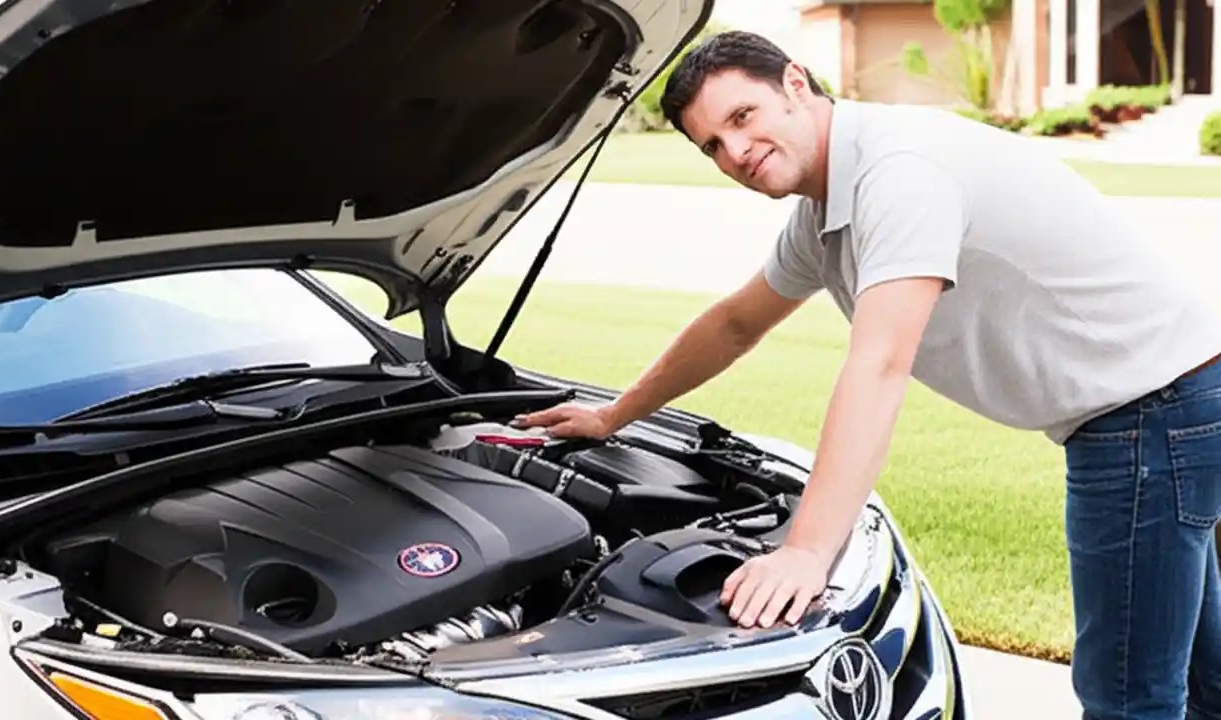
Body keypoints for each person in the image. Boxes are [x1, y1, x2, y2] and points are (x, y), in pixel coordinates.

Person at [511, 29, 1221, 720]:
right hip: (1175, 398)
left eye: (741, 117)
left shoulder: (899, 171)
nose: (735, 152)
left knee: (1128, 698)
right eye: (713, 146)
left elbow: (881, 364)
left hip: (1149, 416)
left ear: (795, 83)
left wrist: (807, 552)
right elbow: (735, 324)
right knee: (1205, 673)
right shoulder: (827, 208)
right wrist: (613, 416)